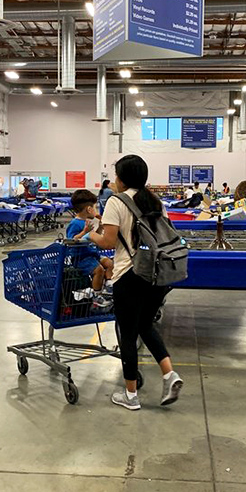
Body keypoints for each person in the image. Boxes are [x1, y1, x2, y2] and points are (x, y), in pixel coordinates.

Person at [89, 155, 182, 411]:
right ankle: (169, 374)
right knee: (146, 325)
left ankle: (130, 395)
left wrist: (91, 235)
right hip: (157, 274)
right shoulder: (155, 201)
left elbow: (108, 242)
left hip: (129, 275)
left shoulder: (115, 202)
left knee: (127, 334)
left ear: (120, 179)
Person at [66, 189, 114, 293]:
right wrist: (84, 232)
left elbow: (93, 236)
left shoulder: (89, 221)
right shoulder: (75, 223)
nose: (96, 210)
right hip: (81, 258)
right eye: (95, 207)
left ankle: (108, 285)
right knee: (99, 270)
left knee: (110, 263)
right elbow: (72, 240)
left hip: (93, 254)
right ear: (89, 209)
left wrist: (100, 228)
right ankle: (97, 293)